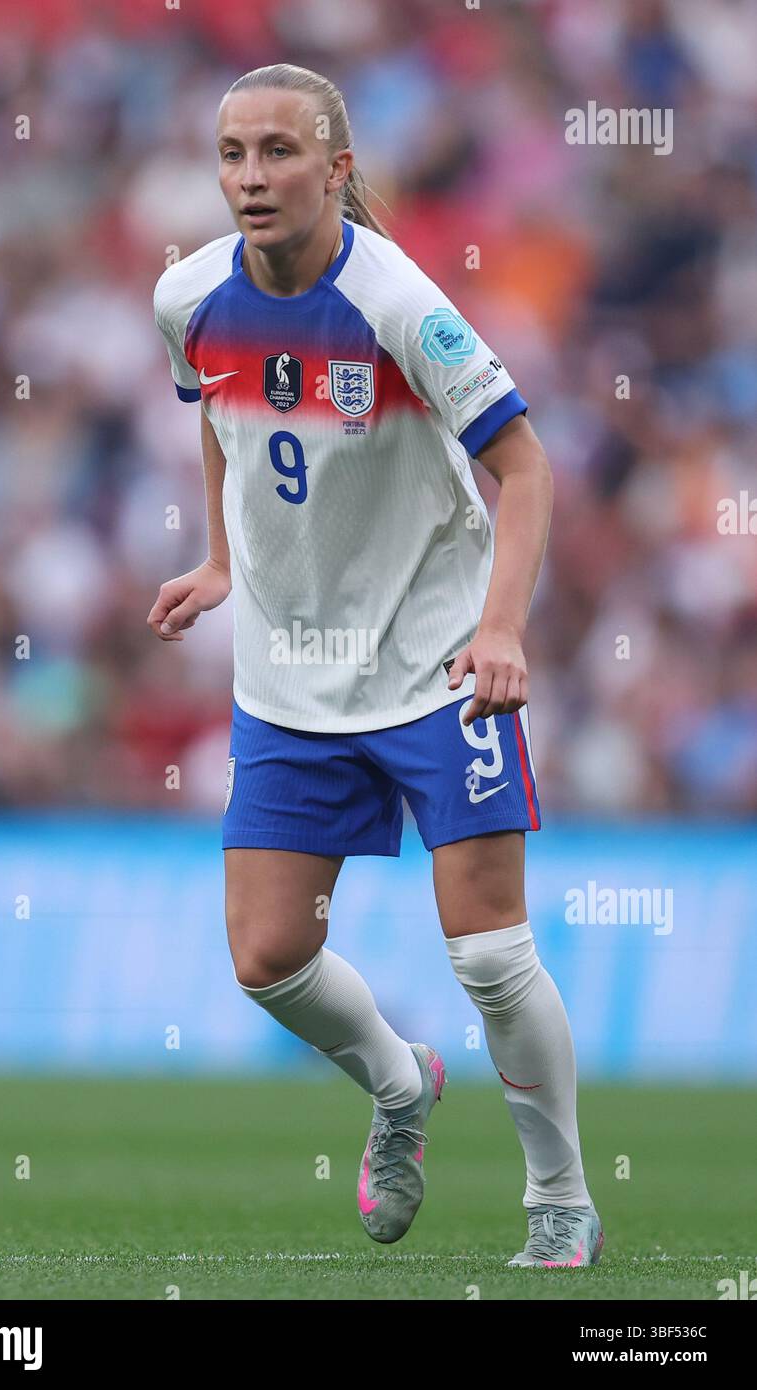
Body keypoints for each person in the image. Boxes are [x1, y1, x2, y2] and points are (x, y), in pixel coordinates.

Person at [148, 62, 602, 1267]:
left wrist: (499, 627)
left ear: (337, 168)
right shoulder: (187, 296)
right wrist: (219, 558)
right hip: (288, 682)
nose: (252, 176)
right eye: (234, 153)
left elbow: (524, 468)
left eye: (279, 152)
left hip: (431, 669)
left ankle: (557, 1197)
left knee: (492, 955)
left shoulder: (399, 303)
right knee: (265, 958)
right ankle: (401, 1088)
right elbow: (218, 414)